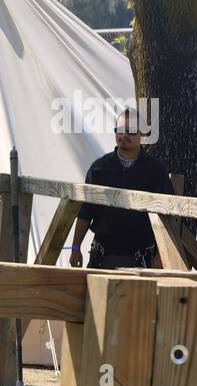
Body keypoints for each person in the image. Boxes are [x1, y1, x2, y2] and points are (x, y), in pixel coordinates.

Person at [69, 107, 174, 269]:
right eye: (119, 131)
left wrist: (162, 256)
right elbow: (85, 212)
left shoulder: (155, 171)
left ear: (142, 134)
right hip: (102, 259)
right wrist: (75, 248)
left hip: (142, 260)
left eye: (131, 131)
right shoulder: (99, 169)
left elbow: (167, 216)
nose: (124, 136)